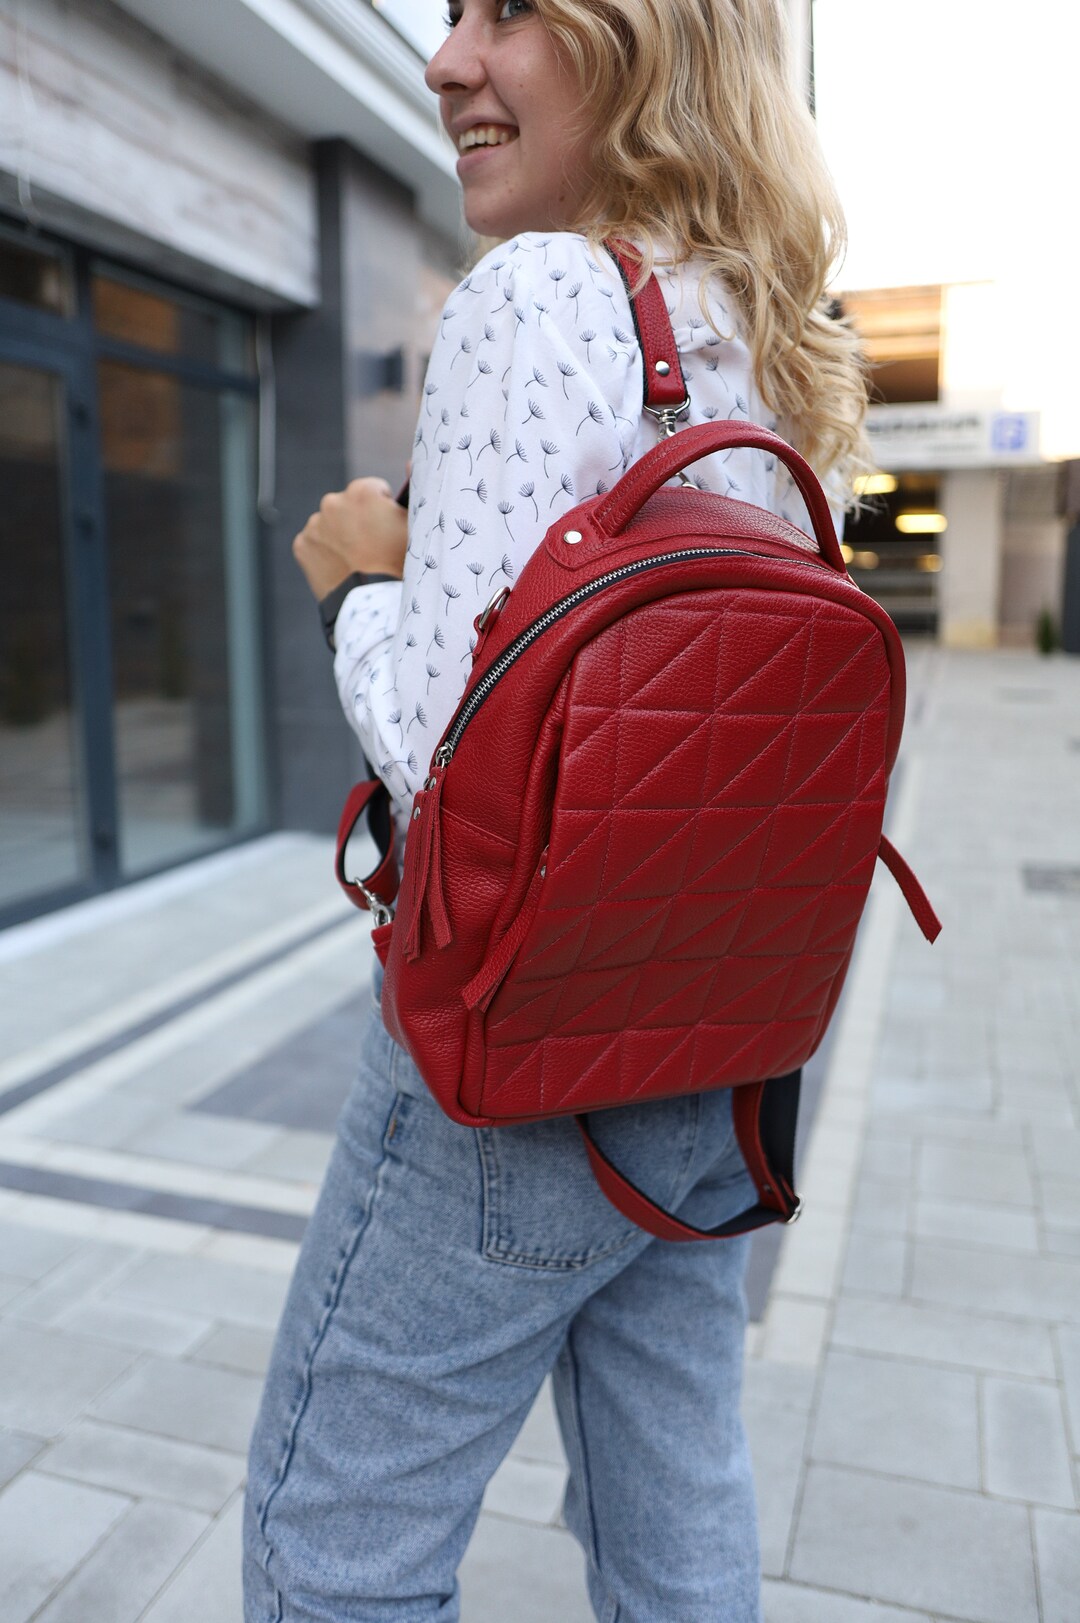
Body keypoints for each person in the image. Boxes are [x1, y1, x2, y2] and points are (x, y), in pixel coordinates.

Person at [243, 3, 869, 1620]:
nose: (446, 59)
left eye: (510, 10)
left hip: (522, 1069)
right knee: (676, 1518)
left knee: (336, 1546)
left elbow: (444, 760)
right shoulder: (763, 332)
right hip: (723, 1052)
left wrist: (358, 582)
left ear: (648, 41)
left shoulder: (537, 292)